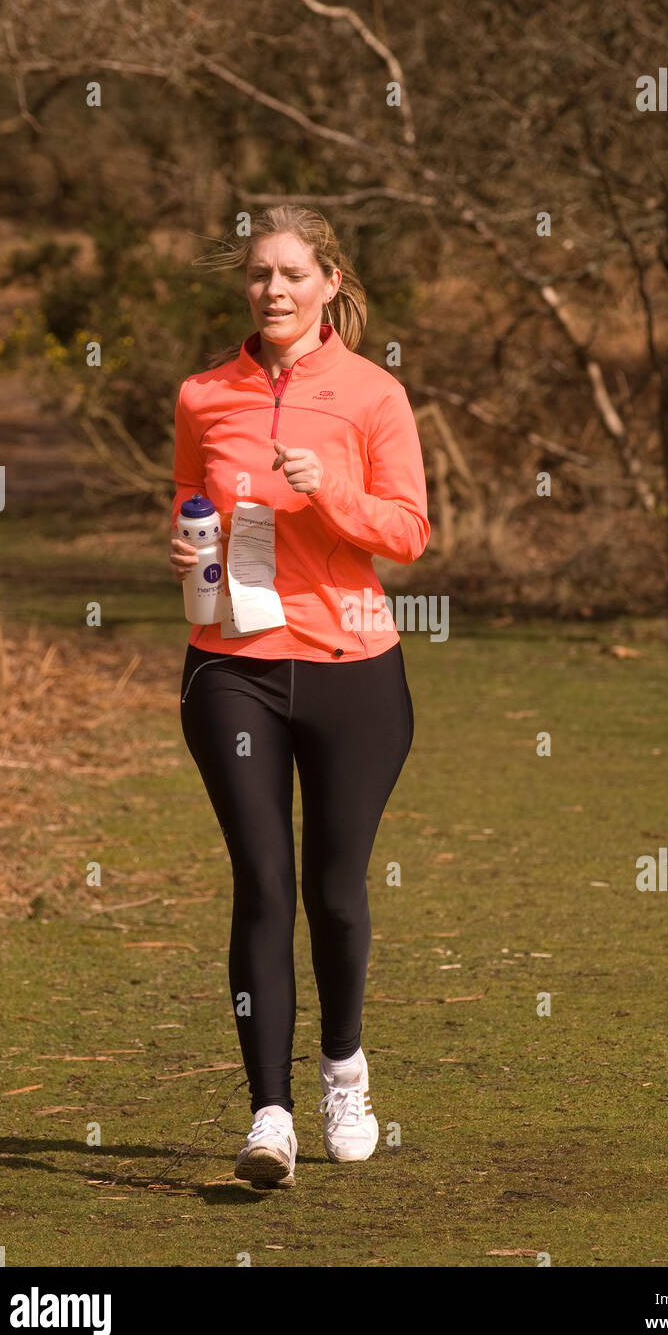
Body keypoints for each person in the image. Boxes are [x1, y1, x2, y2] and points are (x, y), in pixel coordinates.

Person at [168, 205, 430, 1189]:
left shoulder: (372, 396)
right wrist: (193, 557)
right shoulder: (205, 393)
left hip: (352, 670)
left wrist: (328, 491)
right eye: (256, 274)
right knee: (264, 887)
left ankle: (344, 1070)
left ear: (328, 280)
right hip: (230, 664)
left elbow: (406, 532)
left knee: (335, 893)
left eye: (289, 274)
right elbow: (192, 503)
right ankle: (268, 1114)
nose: (271, 290)